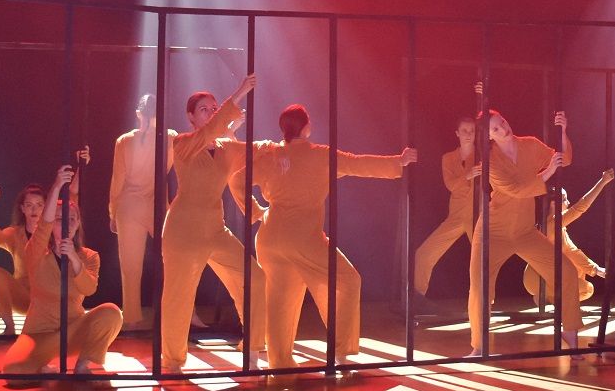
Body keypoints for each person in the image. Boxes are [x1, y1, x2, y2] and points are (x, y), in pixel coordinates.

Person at [242, 104, 414, 369]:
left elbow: (237, 180)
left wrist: (254, 212)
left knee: (280, 300)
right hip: (303, 239)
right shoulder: (319, 155)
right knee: (348, 281)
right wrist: (397, 162)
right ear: (307, 127)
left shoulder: (273, 156)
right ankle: (340, 352)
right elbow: (357, 163)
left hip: (269, 237)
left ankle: (280, 362)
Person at [157, 74, 267, 374]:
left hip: (214, 228)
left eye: (214, 108)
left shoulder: (225, 147)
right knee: (179, 296)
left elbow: (257, 151)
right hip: (183, 229)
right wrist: (240, 92)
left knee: (255, 278)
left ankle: (253, 347)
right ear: (190, 117)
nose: (211, 113)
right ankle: (172, 361)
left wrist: (286, 153)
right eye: (204, 109)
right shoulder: (182, 143)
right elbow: (208, 133)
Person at [469, 107, 576, 355]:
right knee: (480, 287)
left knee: (567, 272)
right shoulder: (490, 162)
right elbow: (517, 190)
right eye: (495, 129)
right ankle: (478, 346)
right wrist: (548, 172)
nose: (503, 129)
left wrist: (563, 132)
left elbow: (564, 159)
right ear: (488, 136)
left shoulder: (530, 145)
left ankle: (570, 334)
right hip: (492, 232)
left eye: (502, 122)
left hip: (525, 231)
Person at [3, 163, 123, 380]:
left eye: (71, 220)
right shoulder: (36, 252)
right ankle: (42, 365)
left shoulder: (89, 256)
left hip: (73, 330)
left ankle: (83, 365)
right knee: (14, 373)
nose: (66, 224)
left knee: (111, 312)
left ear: (77, 225)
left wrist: (74, 259)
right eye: (60, 220)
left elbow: (89, 288)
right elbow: (43, 225)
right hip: (39, 334)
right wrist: (58, 185)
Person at [517, 168, 613, 304]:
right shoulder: (553, 223)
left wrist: (596, 269)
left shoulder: (554, 225)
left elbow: (572, 251)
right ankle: (546, 296)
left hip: (537, 276)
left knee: (579, 271)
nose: (568, 203)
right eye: (564, 200)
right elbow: (580, 207)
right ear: (553, 204)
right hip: (538, 276)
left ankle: (547, 298)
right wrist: (602, 182)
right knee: (587, 289)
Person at [411, 116, 480, 302]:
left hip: (477, 214)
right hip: (456, 215)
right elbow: (450, 185)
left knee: (484, 258)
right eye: (464, 130)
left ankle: (483, 301)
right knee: (424, 253)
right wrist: (468, 175)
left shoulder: (482, 156)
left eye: (472, 131)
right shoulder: (448, 158)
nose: (468, 134)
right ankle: (416, 297)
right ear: (457, 133)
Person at [107, 94, 159, 331]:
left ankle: (132, 319)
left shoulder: (124, 141)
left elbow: (117, 181)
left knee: (130, 267)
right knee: (176, 262)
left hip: (128, 206)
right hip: (156, 206)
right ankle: (180, 313)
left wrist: (112, 213)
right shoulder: (168, 137)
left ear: (138, 113)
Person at [0, 182, 45, 338]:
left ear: (46, 207)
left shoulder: (53, 233)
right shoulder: (15, 233)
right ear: (22, 208)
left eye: (39, 205)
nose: (34, 210)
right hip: (24, 296)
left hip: (49, 298)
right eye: (29, 205)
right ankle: (9, 326)